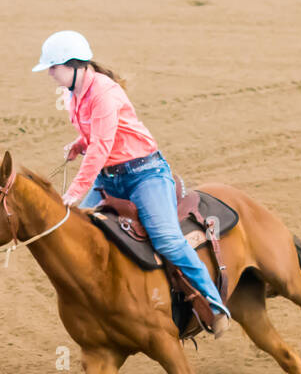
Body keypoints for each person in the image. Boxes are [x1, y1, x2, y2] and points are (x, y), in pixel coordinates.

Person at [33, 30, 231, 337]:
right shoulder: (72, 93)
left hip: (145, 174)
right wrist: (79, 142)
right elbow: (98, 135)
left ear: (72, 65)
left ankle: (216, 305)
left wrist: (73, 192)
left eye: (53, 67)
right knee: (77, 230)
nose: (49, 73)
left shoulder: (105, 94)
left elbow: (102, 147)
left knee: (166, 239)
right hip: (110, 176)